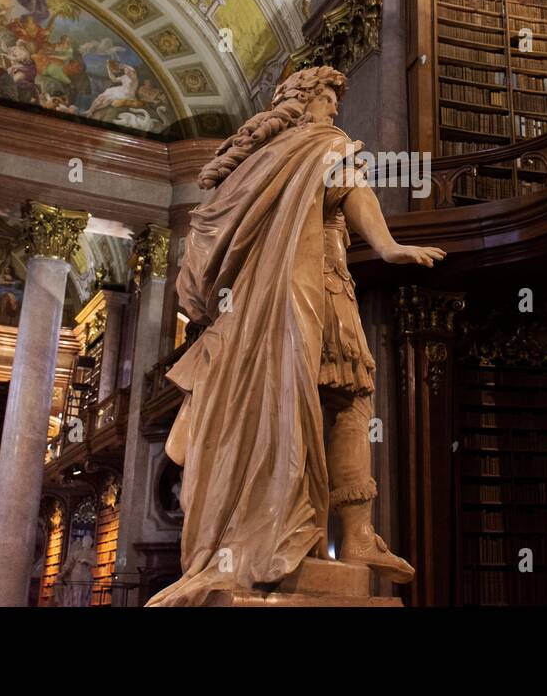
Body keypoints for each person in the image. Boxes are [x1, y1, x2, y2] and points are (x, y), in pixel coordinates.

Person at [146, 65, 444, 606]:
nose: (335, 111)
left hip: (252, 321)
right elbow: (352, 189)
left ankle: (274, 536)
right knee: (347, 403)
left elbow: (200, 263)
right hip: (318, 295)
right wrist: (387, 247)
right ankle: (352, 537)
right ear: (306, 101)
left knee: (277, 410)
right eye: (330, 100)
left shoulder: (248, 168)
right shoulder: (320, 145)